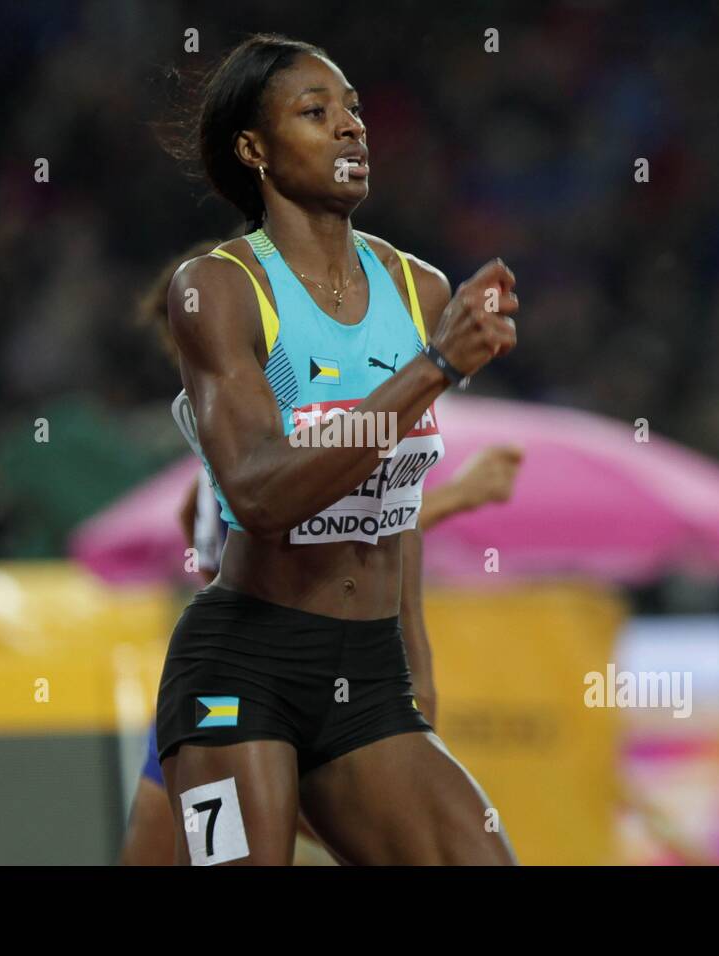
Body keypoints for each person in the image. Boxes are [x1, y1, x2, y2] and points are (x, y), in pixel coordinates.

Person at [152, 33, 519, 865]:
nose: (352, 129)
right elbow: (257, 492)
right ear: (255, 150)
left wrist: (412, 661)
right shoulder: (217, 289)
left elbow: (397, 508)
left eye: (354, 112)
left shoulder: (419, 290)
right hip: (239, 674)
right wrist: (432, 370)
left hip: (370, 673)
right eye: (317, 114)